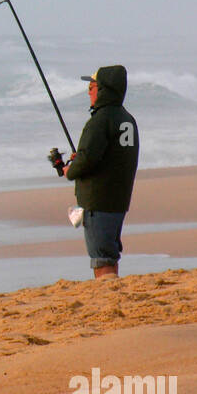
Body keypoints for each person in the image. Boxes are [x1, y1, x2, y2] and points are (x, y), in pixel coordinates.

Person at [62, 66, 138, 278]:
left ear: (103, 89)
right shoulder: (127, 120)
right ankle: (113, 294)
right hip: (118, 200)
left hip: (99, 202)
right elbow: (116, 157)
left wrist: (70, 170)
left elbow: (88, 160)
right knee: (109, 254)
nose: (88, 91)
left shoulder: (99, 121)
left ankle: (108, 299)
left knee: (101, 256)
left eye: (92, 86)